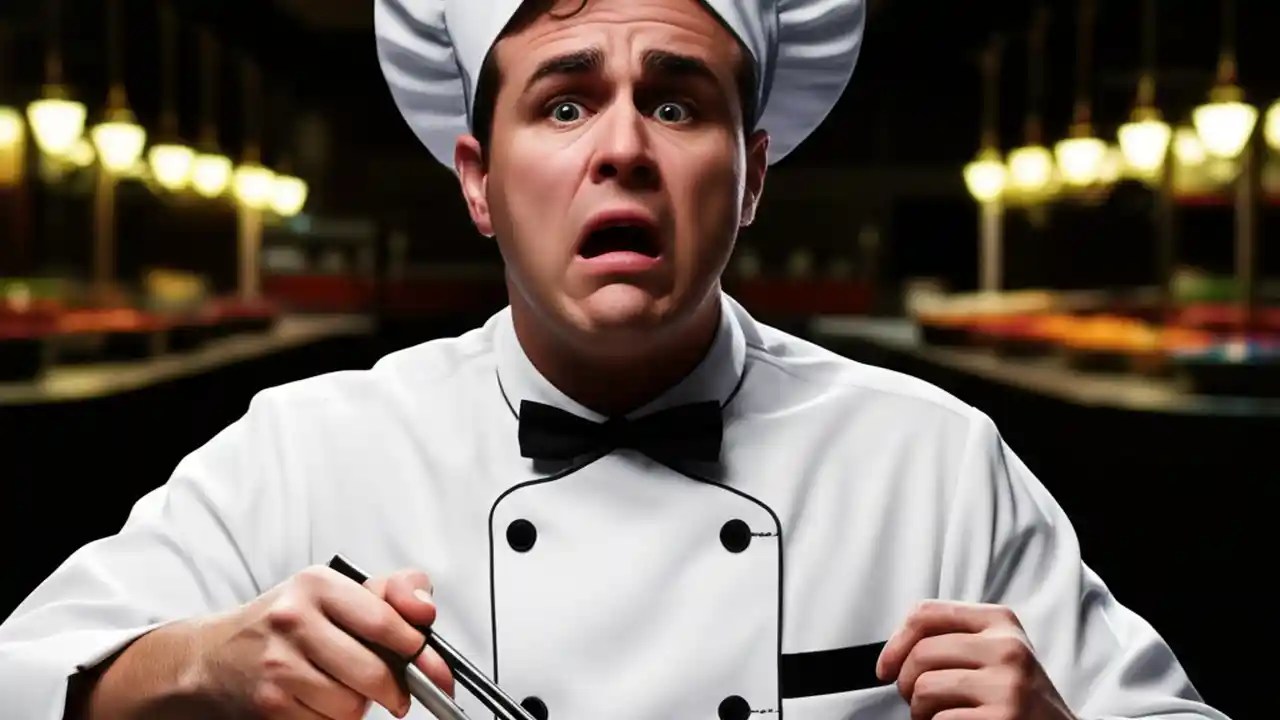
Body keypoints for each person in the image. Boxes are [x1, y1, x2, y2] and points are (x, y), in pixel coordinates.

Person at [0, 1, 1230, 719]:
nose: (626, 148)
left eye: (679, 104)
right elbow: (21, 674)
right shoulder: (306, 447)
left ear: (751, 177)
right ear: (477, 182)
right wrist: (181, 674)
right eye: (564, 103)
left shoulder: (934, 460)